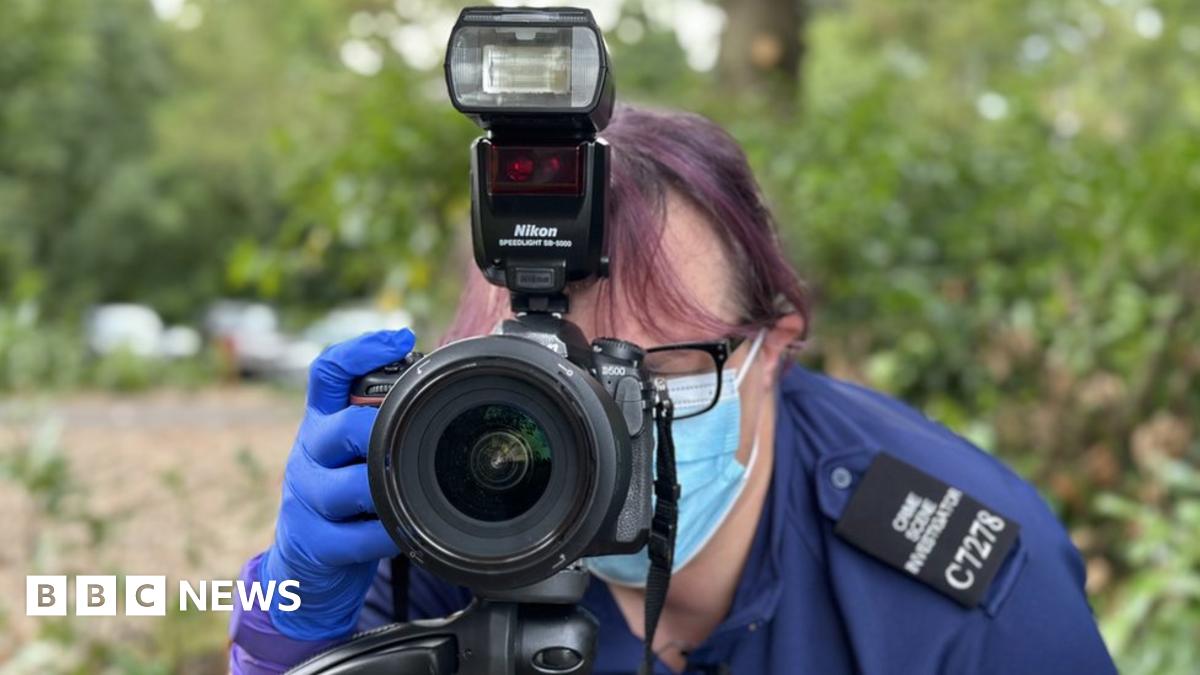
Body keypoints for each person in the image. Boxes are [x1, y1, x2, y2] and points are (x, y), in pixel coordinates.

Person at [228, 105, 1116, 674]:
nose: (595, 428)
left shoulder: (971, 588)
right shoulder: (448, 497)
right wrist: (290, 620)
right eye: (546, 374)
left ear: (774, 348)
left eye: (648, 374)